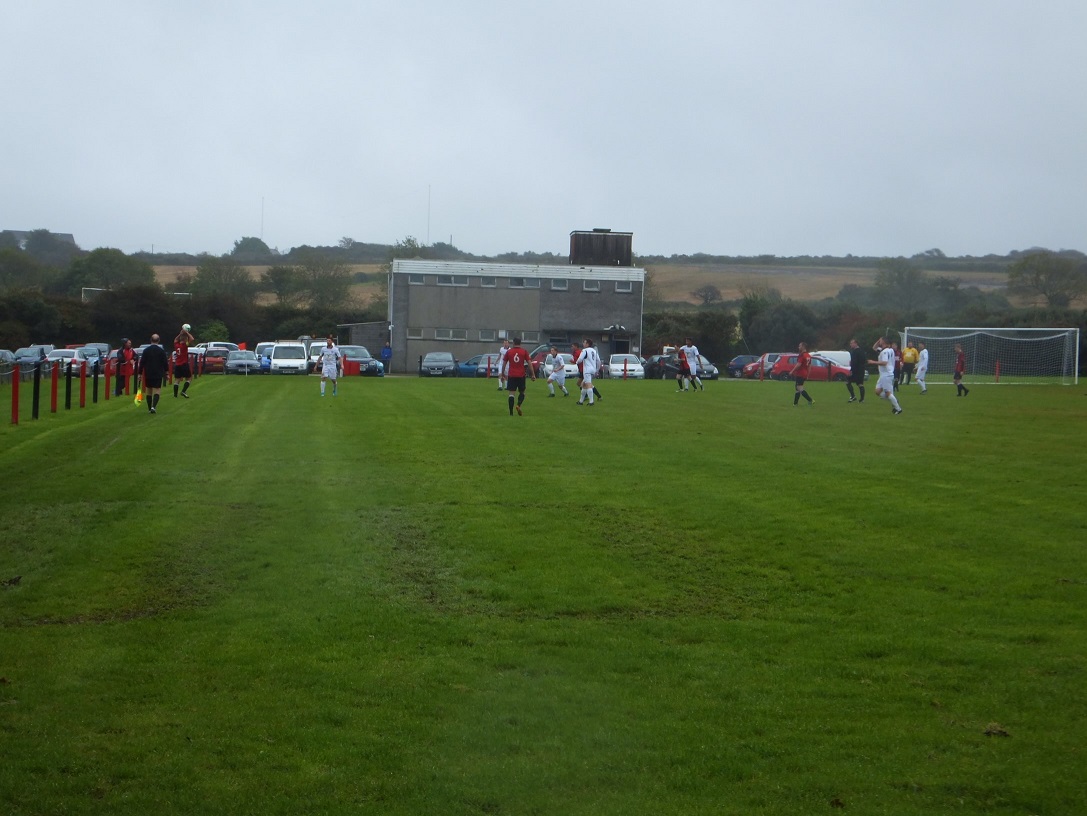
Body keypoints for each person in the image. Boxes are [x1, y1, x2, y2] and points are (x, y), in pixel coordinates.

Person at [869, 337, 903, 415]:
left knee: (888, 393)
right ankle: (894, 400)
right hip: (883, 374)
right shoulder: (889, 350)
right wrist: (878, 340)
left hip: (886, 374)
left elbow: (884, 363)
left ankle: (898, 409)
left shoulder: (885, 352)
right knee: (877, 392)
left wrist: (873, 362)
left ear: (884, 342)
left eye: (881, 341)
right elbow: (874, 348)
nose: (879, 342)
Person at [502, 336, 536, 415]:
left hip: (512, 375)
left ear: (513, 343)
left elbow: (504, 364)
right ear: (520, 343)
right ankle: (518, 405)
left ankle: (511, 413)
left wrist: (502, 374)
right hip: (521, 375)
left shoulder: (509, 352)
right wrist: (533, 374)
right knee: (522, 392)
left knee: (511, 394)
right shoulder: (524, 351)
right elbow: (529, 363)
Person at [138, 334, 170, 414]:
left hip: (148, 372)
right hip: (158, 372)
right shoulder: (161, 351)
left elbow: (142, 363)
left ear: (150, 340)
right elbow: (165, 363)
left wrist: (139, 373)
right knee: (157, 390)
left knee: (149, 390)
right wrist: (166, 373)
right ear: (159, 340)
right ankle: (153, 406)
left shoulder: (146, 350)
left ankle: (149, 408)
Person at [576, 339, 601, 405]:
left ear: (587, 344)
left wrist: (577, 362)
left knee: (588, 385)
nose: (583, 344)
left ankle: (591, 401)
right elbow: (598, 361)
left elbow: (580, 359)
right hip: (593, 369)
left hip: (587, 370)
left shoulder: (584, 350)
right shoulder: (594, 351)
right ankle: (581, 401)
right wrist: (597, 370)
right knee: (583, 385)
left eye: (584, 342)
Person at [172, 325, 195, 398]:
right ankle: (183, 391)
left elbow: (175, 340)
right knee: (189, 378)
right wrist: (186, 333)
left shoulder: (176, 345)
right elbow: (192, 339)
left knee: (177, 380)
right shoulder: (185, 345)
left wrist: (180, 334)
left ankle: (175, 395)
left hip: (177, 364)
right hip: (184, 364)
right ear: (186, 339)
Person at [789, 342, 814, 407]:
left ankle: (810, 400)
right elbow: (809, 366)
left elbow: (798, 365)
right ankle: (795, 404)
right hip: (804, 373)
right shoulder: (808, 355)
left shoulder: (802, 355)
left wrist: (792, 371)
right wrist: (808, 375)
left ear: (803, 347)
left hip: (800, 373)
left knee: (799, 388)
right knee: (797, 389)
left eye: (799, 346)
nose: (798, 347)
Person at [846, 338, 866, 403]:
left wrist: (851, 370)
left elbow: (854, 362)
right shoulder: (862, 351)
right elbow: (864, 360)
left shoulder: (854, 352)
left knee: (848, 382)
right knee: (860, 384)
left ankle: (853, 396)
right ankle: (862, 399)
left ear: (855, 343)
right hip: (861, 370)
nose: (850, 345)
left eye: (851, 343)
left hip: (856, 371)